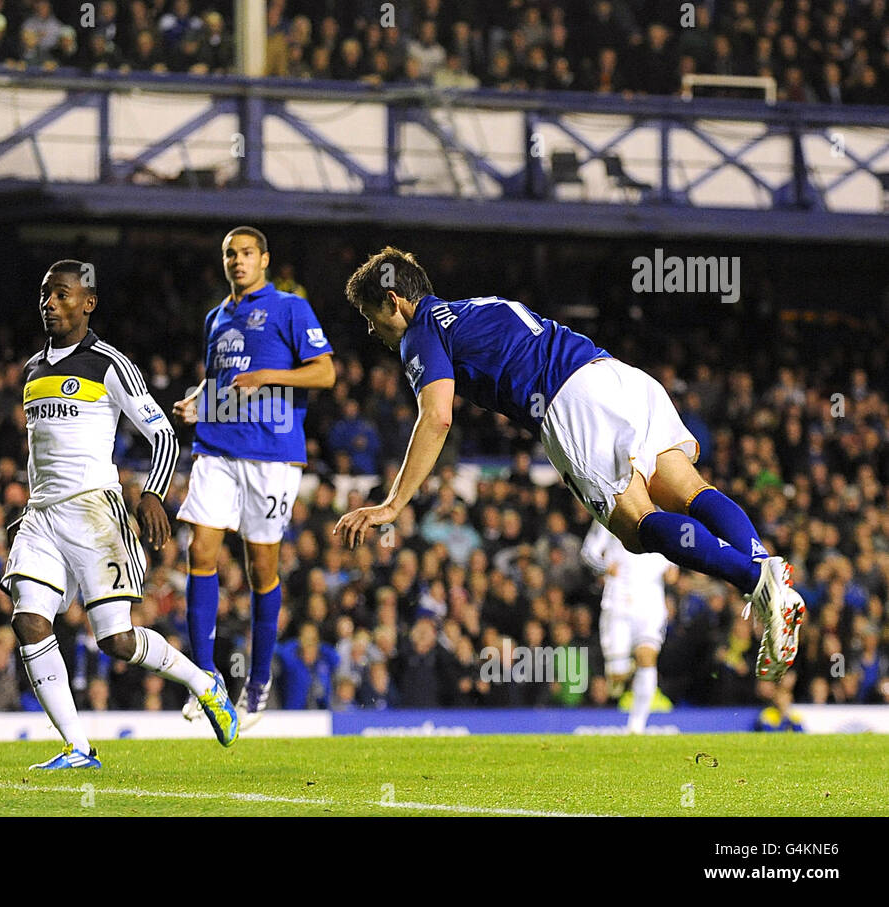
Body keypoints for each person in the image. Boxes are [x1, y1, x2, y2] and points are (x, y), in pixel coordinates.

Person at [336, 247, 804, 679]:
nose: (372, 330)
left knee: (637, 526)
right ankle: (765, 564)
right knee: (685, 487)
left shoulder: (421, 332)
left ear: (394, 301)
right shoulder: (477, 307)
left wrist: (393, 505)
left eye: (370, 316)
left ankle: (754, 579)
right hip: (616, 375)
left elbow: (437, 417)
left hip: (571, 403)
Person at [2, 260, 237, 769]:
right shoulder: (31, 371)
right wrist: (29, 502)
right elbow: (39, 451)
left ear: (88, 303)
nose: (50, 304)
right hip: (42, 515)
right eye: (45, 295)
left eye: (62, 295)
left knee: (115, 639)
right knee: (27, 620)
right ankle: (78, 748)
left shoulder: (108, 363)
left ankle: (204, 684)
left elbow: (163, 434)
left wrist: (153, 494)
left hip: (95, 512)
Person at [172, 226, 335, 729]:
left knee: (262, 569)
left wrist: (271, 376)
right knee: (200, 553)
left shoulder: (290, 308)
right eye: (230, 254)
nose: (238, 261)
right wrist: (200, 401)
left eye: (246, 253)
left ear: (264, 259)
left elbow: (325, 373)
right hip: (217, 448)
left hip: (271, 454)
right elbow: (220, 380)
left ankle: (258, 681)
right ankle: (205, 679)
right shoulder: (215, 318)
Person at [581, 519, 677, 733]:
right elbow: (588, 552)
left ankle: (637, 725)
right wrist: (604, 567)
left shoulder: (662, 517)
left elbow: (675, 551)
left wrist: (673, 568)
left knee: (647, 657)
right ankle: (624, 669)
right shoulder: (610, 515)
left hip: (651, 604)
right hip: (618, 604)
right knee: (617, 674)